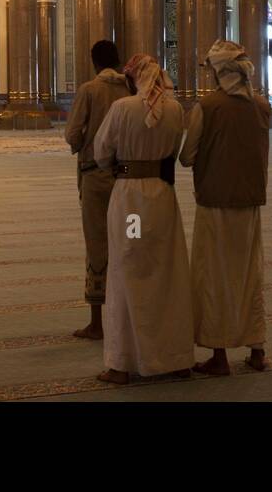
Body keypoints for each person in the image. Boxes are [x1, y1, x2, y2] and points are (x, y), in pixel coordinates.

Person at [92, 53, 192, 384]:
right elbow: (176, 152)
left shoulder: (122, 109)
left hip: (129, 197)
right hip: (161, 196)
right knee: (167, 272)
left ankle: (122, 364)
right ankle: (175, 359)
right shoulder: (175, 109)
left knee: (127, 271)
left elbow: (101, 151)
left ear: (134, 78)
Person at [181, 40, 271, 376]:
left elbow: (187, 156)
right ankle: (257, 349)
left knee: (213, 277)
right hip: (249, 202)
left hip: (215, 202)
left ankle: (219, 357)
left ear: (219, 73)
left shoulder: (208, 106)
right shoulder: (261, 106)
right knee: (249, 273)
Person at [63, 39, 127, 340]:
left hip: (94, 176)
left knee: (97, 245)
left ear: (94, 62)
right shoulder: (130, 90)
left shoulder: (90, 90)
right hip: (125, 178)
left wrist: (82, 146)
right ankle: (124, 318)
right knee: (124, 245)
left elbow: (72, 134)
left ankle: (98, 323)